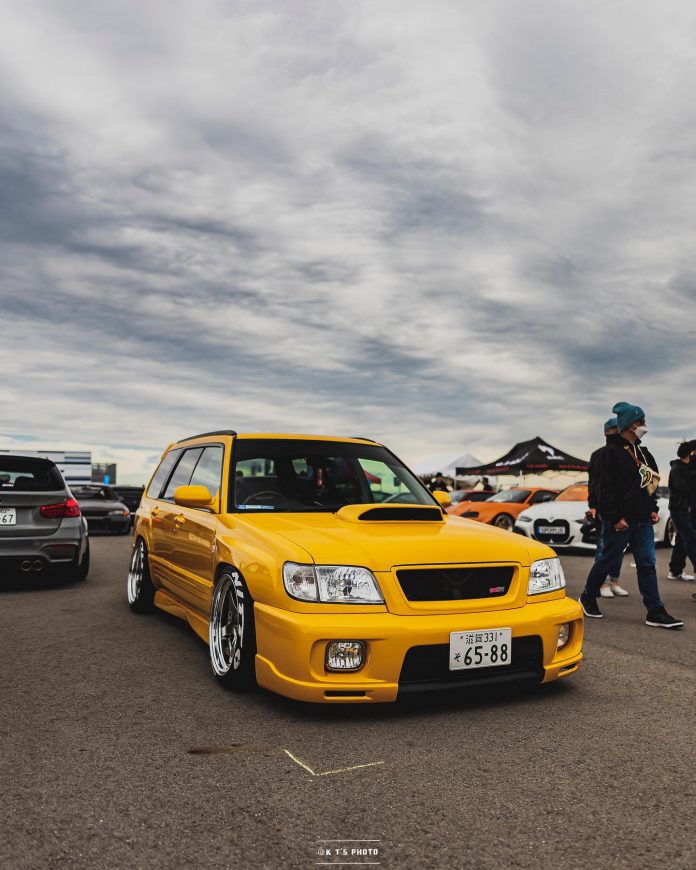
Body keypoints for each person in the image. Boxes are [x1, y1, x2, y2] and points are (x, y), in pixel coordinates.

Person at [580, 402, 683, 629]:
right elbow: (603, 490)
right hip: (620, 521)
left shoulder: (644, 454)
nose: (645, 425)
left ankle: (655, 611)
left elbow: (651, 485)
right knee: (607, 560)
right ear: (629, 424)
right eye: (641, 421)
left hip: (642, 520)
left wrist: (653, 510)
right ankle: (588, 595)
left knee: (647, 564)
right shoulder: (609, 454)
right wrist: (615, 518)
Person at [587, 417, 630, 598]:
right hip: (604, 507)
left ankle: (614, 582)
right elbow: (594, 483)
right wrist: (592, 505)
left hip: (620, 507)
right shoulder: (598, 454)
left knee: (618, 549)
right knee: (603, 546)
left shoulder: (626, 452)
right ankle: (602, 584)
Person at [667, 440, 696, 581]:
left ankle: (675, 570)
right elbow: (684, 489)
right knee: (691, 539)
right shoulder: (678, 469)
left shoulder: (684, 468)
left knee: (682, 540)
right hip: (680, 510)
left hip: (684, 510)